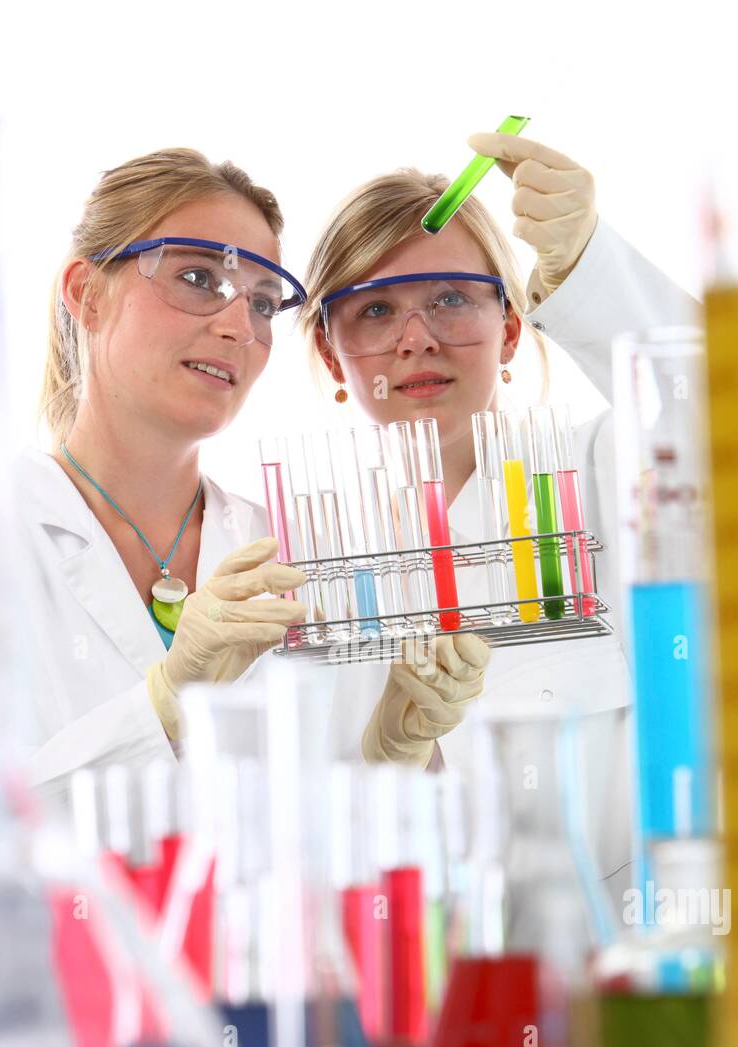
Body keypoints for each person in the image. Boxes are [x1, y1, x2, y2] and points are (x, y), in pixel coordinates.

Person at [299, 132, 701, 909]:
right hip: (415, 1006)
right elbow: (304, 865)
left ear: (511, 328)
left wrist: (590, 267)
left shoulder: (603, 473)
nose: (416, 337)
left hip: (613, 980)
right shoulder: (298, 572)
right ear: (329, 351)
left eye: (450, 297)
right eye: (375, 309)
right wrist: (387, 760)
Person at [17, 147, 480, 805]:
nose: (239, 325)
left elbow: (336, 873)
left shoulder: (305, 563)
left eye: (264, 302)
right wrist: (162, 706)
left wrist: (393, 764)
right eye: (200, 278)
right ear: (86, 294)